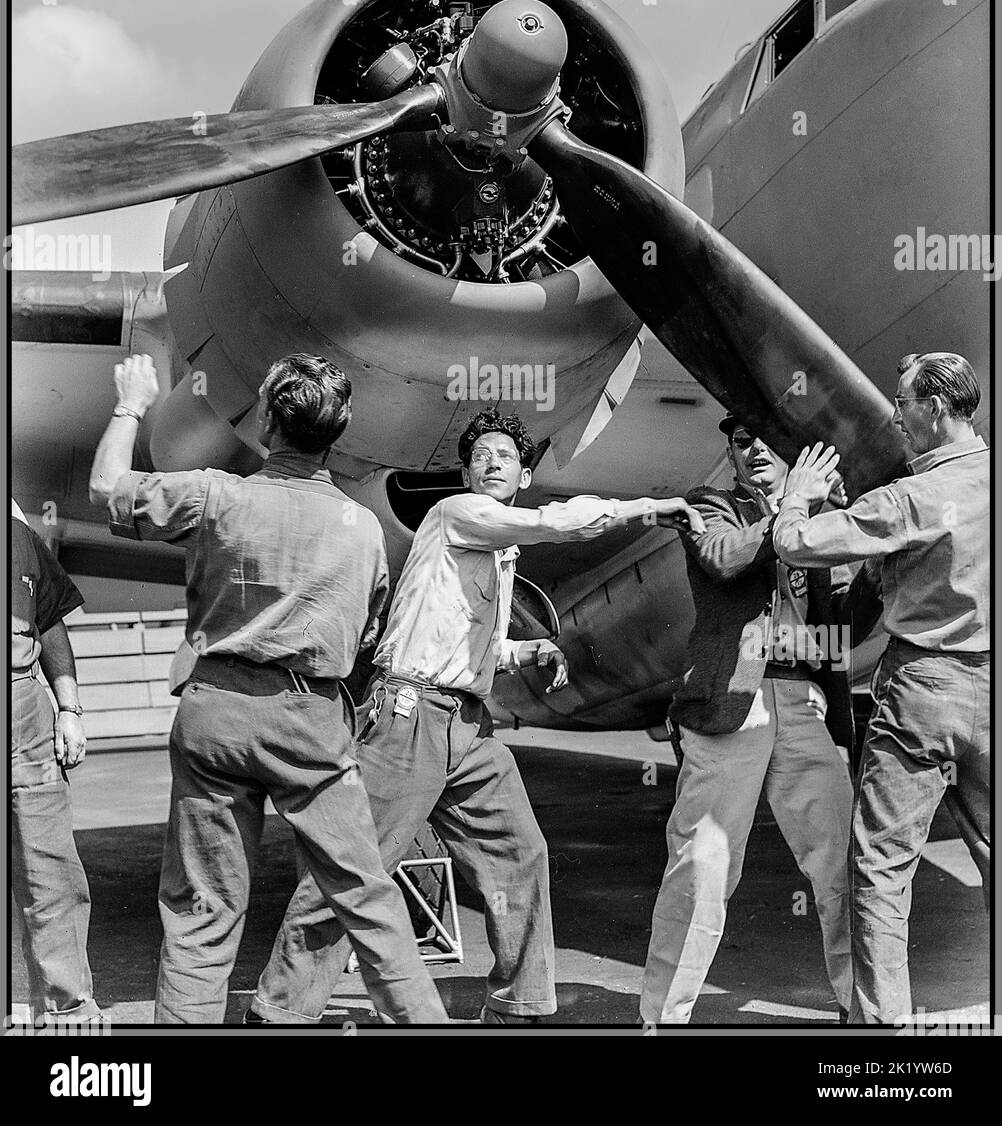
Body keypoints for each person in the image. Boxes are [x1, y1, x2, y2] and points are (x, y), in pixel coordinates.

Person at [248, 409, 705, 1025]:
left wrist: (527, 650)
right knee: (357, 868)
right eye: (481, 455)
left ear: (523, 471)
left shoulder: (496, 550)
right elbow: (555, 523)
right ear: (465, 473)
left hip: (467, 725)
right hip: (408, 714)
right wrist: (654, 507)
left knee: (520, 852)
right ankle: (278, 1013)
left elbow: (470, 644)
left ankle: (521, 1007)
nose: (492, 462)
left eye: (505, 455)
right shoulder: (457, 516)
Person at [88, 353, 446, 1025]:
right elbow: (367, 633)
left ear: (266, 424)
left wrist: (131, 402)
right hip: (310, 718)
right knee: (365, 899)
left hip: (214, 712)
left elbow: (108, 487)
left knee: (204, 910)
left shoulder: (218, 495)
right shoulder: (364, 528)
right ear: (333, 435)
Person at [639, 415, 879, 1026]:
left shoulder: (818, 520)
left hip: (804, 700)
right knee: (703, 868)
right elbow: (723, 560)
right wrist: (790, 509)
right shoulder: (710, 505)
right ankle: (661, 1020)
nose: (751, 448)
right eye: (738, 440)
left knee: (844, 865)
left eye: (761, 436)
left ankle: (866, 1012)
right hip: (730, 702)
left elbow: (847, 624)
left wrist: (871, 543)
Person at [772, 352, 990, 1026]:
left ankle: (884, 1027)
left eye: (903, 402)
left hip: (923, 688)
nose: (894, 416)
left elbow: (799, 545)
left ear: (936, 407)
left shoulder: (911, 497)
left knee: (882, 866)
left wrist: (794, 500)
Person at [10, 499, 102, 1026]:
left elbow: (48, 621)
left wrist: (69, 706)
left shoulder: (18, 532)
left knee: (49, 871)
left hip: (24, 708)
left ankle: (68, 1012)